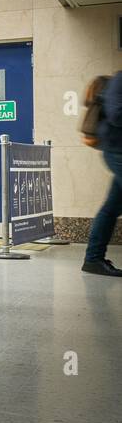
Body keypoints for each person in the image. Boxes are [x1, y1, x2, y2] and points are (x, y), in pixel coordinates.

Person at [83, 70, 122, 276]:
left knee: (110, 209)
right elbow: (116, 114)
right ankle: (93, 259)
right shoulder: (120, 79)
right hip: (118, 151)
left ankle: (93, 259)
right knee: (110, 209)